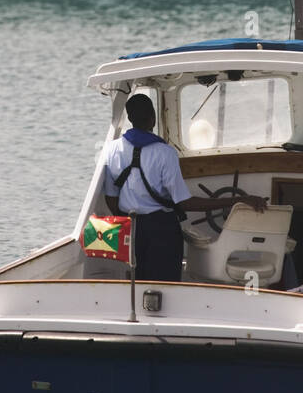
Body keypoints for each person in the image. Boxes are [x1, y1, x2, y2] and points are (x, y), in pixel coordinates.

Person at [103, 93, 267, 282]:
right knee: (165, 283)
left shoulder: (112, 149)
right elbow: (184, 202)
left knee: (138, 280)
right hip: (161, 229)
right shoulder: (165, 153)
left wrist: (131, 221)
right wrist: (237, 200)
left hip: (130, 229)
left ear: (130, 118)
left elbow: (111, 199)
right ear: (153, 118)